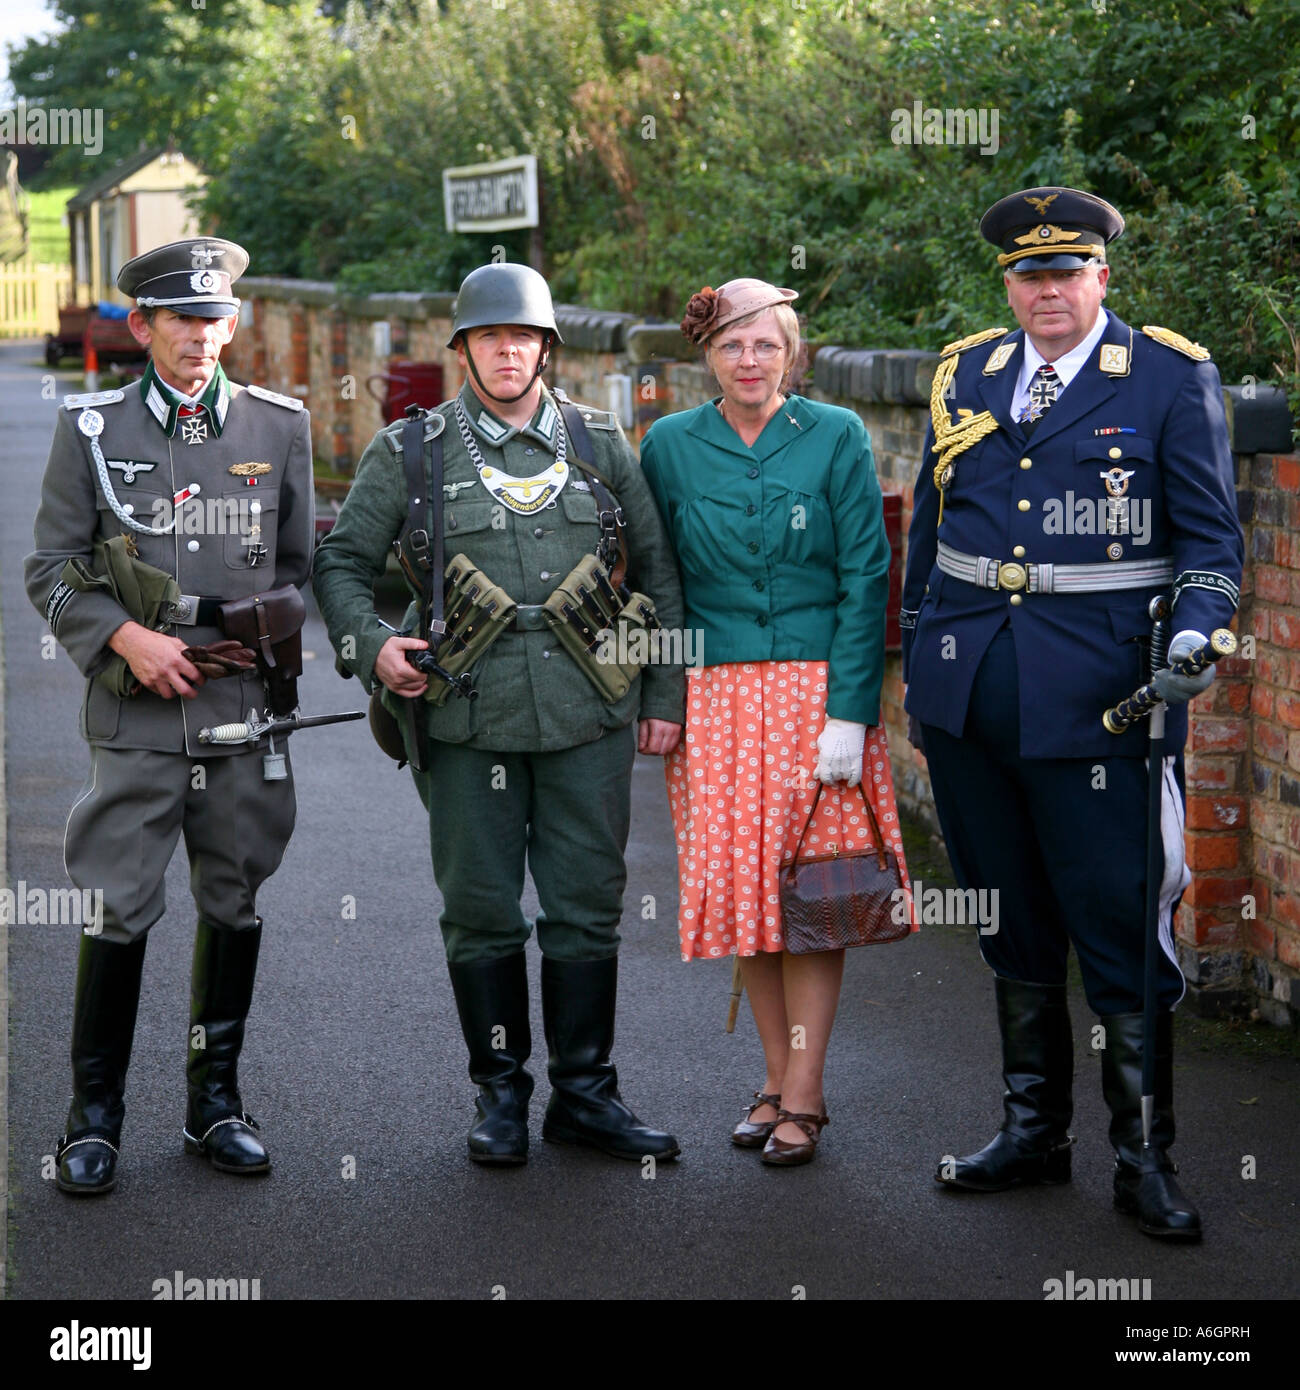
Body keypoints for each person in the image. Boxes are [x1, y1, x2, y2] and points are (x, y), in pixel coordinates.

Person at [901, 187, 1244, 1239]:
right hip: (971, 694)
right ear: (1005, 282)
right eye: (1026, 274)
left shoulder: (1167, 377)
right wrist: (919, 656)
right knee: (1008, 925)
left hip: (1105, 702)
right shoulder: (967, 370)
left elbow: (1209, 544)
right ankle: (1031, 1133)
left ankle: (1144, 1161)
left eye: (1064, 272)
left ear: (1101, 276)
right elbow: (932, 525)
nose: (1045, 291)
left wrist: (1195, 632)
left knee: (1116, 932)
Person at [313, 262, 685, 1165]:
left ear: (546, 347)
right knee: (480, 912)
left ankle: (587, 1096)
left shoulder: (600, 442)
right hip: (463, 720)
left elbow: (660, 572)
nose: (508, 351)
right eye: (490, 337)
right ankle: (501, 1097)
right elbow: (340, 566)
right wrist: (374, 648)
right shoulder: (414, 450)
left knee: (588, 908)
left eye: (523, 337)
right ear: (466, 349)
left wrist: (665, 696)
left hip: (589, 717)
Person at [25, 237, 316, 1192]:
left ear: (234, 323)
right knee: (118, 903)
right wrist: (125, 639)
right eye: (180, 318)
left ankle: (214, 1105)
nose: (200, 334)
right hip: (138, 711)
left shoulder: (279, 427)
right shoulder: (94, 430)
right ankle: (92, 1119)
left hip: (238, 706)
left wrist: (266, 642)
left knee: (233, 900)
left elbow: (295, 572)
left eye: (214, 316)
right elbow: (53, 570)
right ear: (143, 327)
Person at [639, 277, 909, 1166]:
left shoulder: (835, 434)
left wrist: (850, 714)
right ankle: (769, 1080)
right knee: (745, 898)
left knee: (815, 896)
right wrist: (666, 695)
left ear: (793, 351)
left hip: (814, 698)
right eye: (730, 346)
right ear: (706, 358)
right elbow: (659, 582)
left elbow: (865, 576)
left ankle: (805, 1093)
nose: (749, 361)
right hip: (716, 699)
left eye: (766, 344)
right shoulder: (671, 446)